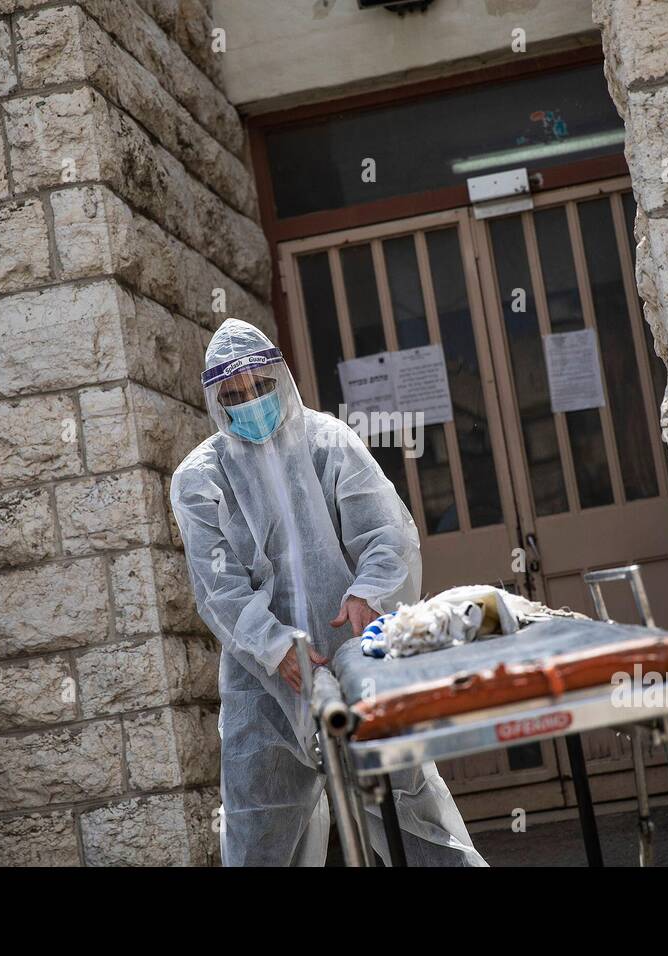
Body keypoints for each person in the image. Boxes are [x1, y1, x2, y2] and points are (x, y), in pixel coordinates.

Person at [170, 318, 486, 867]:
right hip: (262, 687)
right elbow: (217, 586)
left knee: (411, 812)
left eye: (260, 386)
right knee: (262, 834)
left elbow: (386, 533)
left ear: (281, 379)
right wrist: (274, 647)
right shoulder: (201, 478)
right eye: (234, 394)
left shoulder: (329, 442)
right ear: (216, 400)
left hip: (353, 655)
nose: (250, 401)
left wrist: (369, 594)